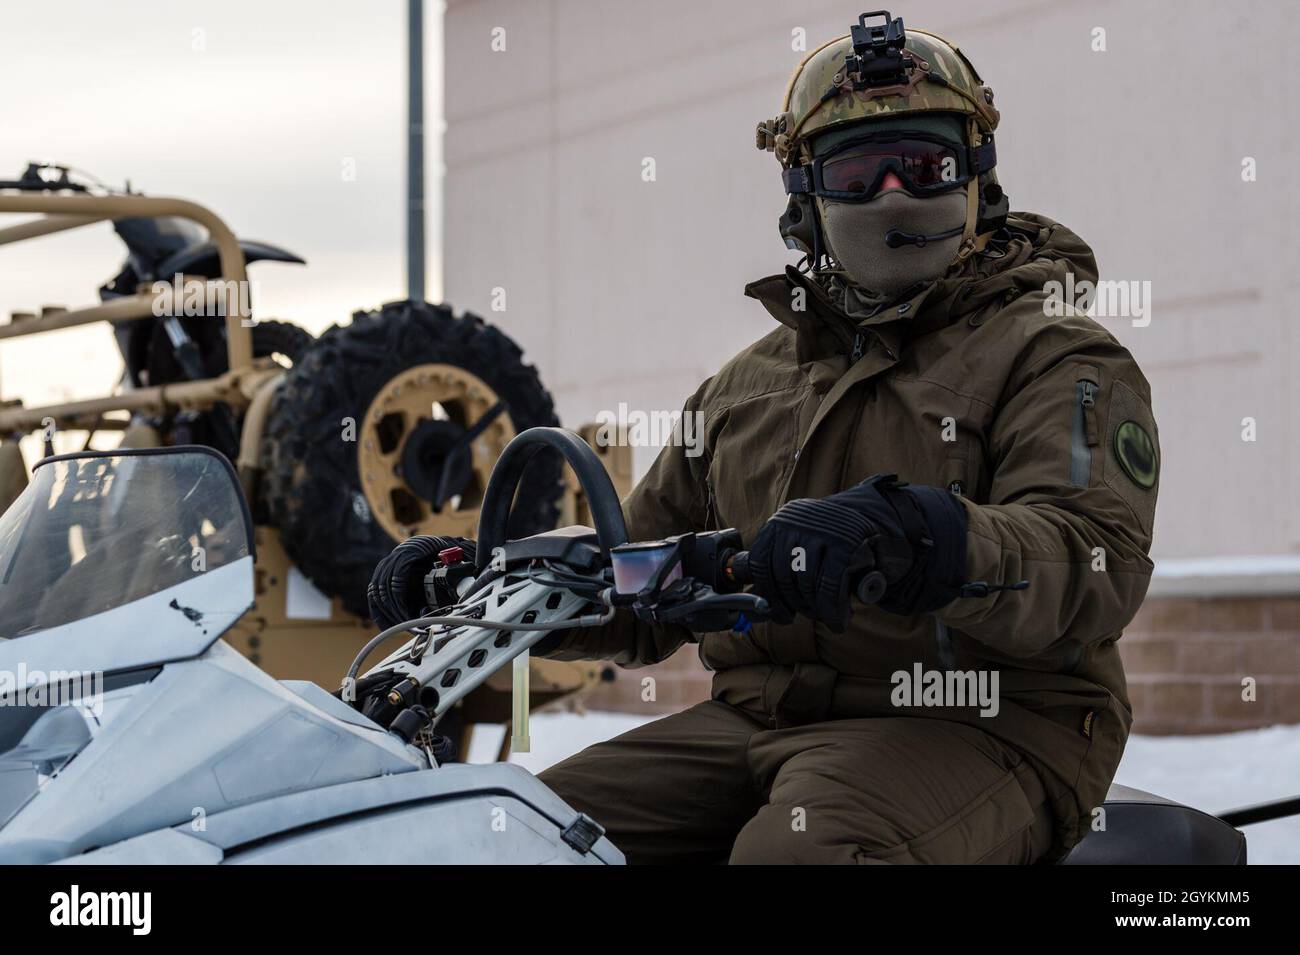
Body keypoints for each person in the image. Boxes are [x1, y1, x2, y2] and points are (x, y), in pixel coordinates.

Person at [368, 11, 1159, 864]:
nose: (894, 192)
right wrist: (486, 585)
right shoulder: (747, 384)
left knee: (803, 852)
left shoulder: (1056, 350)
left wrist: (927, 533)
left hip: (987, 722)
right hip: (756, 716)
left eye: (925, 164)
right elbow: (637, 568)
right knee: (508, 838)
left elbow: (1094, 560)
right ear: (808, 201)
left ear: (975, 178)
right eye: (858, 173)